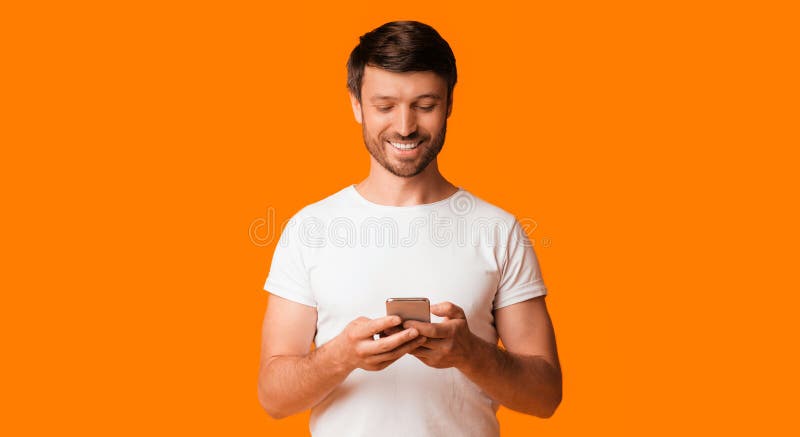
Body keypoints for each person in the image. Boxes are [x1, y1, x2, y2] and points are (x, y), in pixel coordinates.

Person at [257, 20, 562, 437]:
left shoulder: (499, 230)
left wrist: (470, 354)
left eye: (425, 105)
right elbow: (273, 398)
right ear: (356, 105)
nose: (404, 127)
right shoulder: (309, 229)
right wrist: (340, 357)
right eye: (385, 106)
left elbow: (545, 396)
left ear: (450, 103)